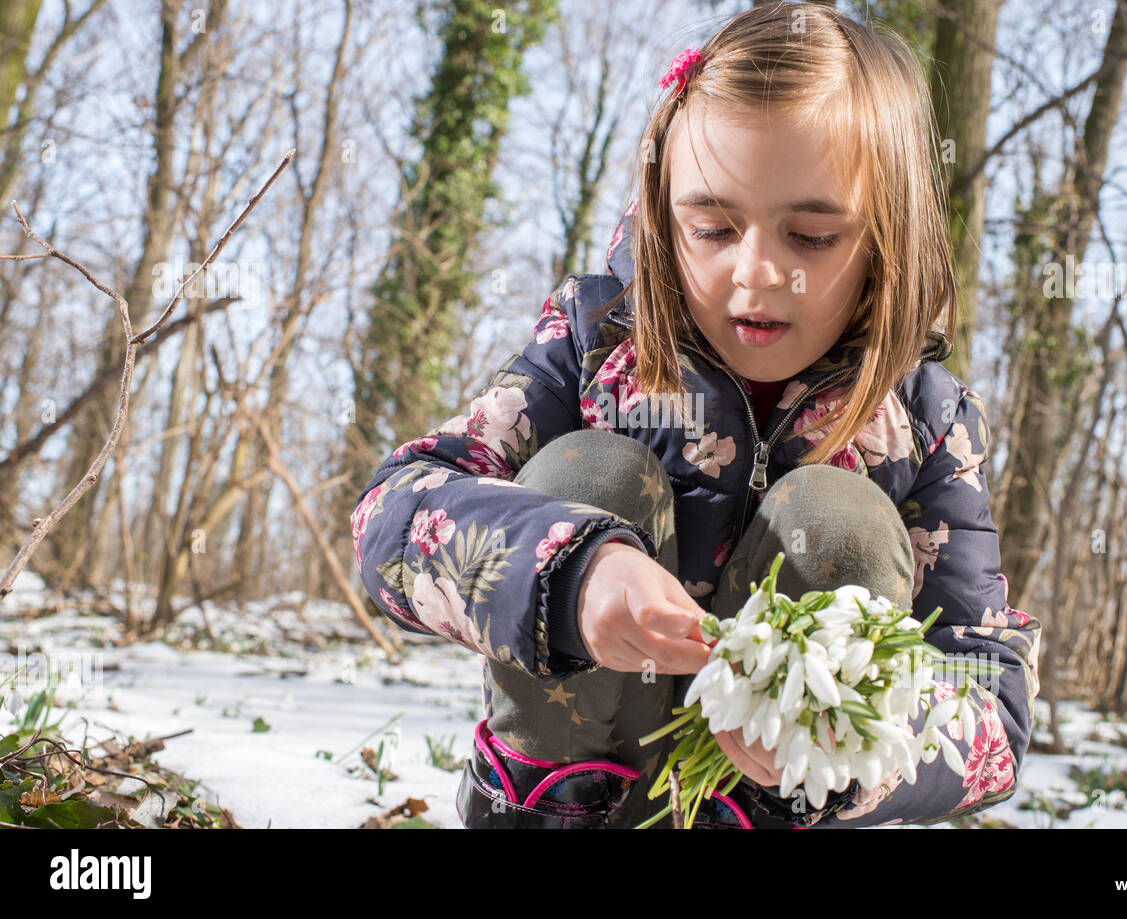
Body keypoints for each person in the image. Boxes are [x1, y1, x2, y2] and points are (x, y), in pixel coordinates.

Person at [351, 2, 1041, 829]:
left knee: (840, 520)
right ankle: (550, 795)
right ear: (662, 209)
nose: (756, 272)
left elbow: (991, 701)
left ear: (886, 238)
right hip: (574, 785)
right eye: (713, 225)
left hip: (767, 797)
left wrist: (861, 725)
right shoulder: (594, 342)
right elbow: (391, 512)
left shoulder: (925, 419)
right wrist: (564, 574)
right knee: (592, 473)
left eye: (813, 237)